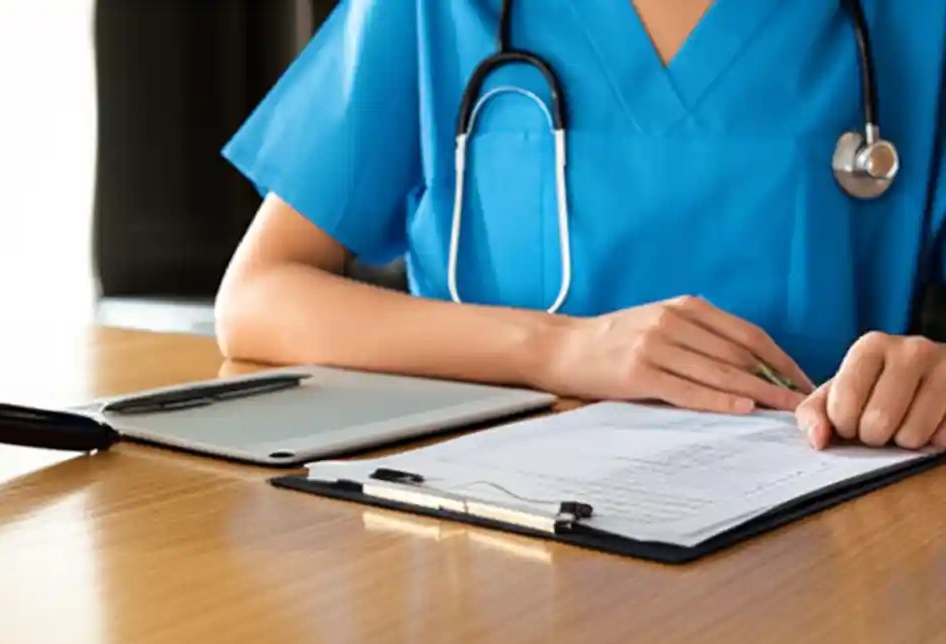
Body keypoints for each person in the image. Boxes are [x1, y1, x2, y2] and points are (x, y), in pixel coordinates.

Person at [214, 0, 946, 451]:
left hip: (812, 546)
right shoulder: (428, 9)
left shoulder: (914, 20)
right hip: (481, 537)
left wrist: (932, 377)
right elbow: (258, 296)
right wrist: (561, 348)